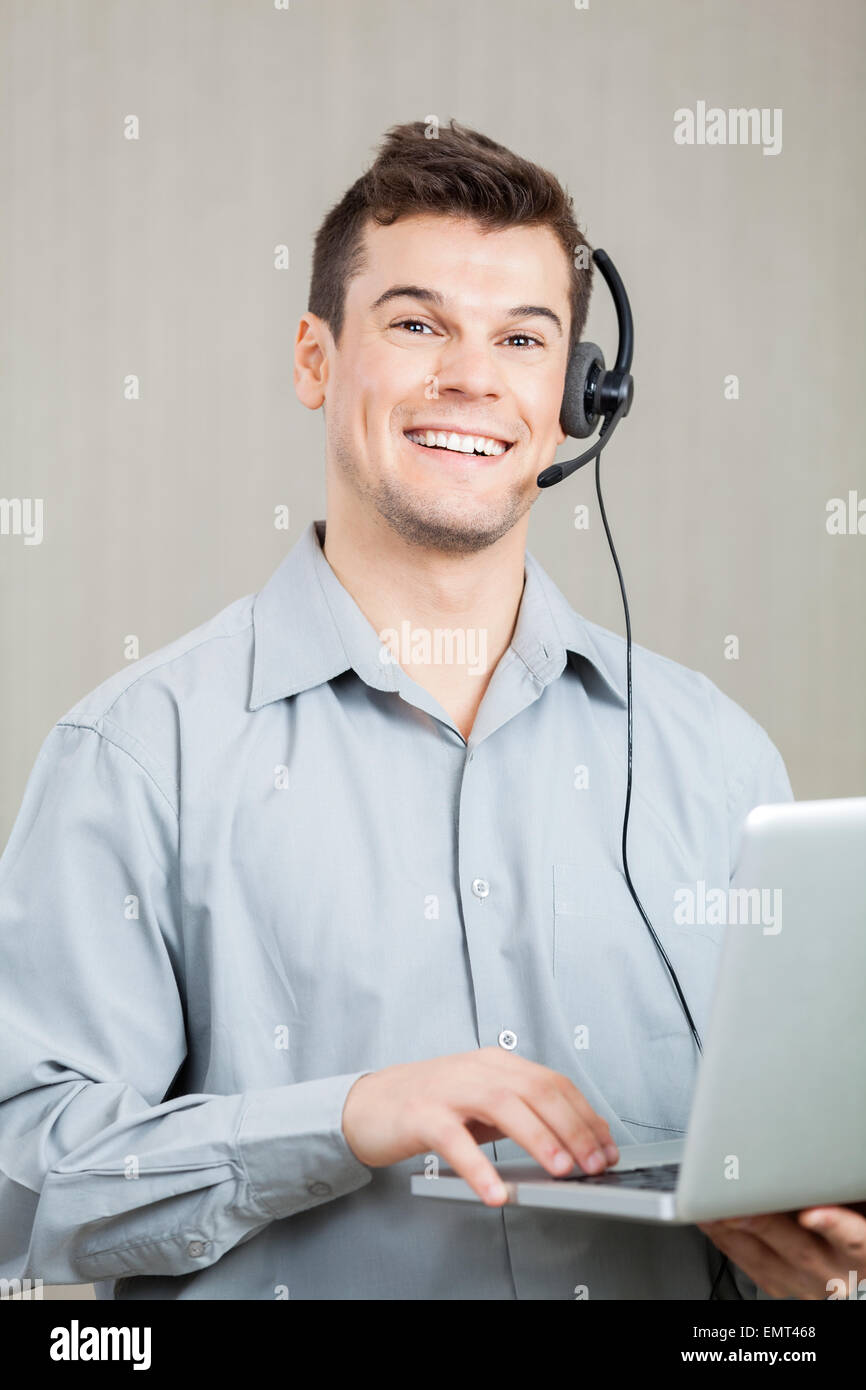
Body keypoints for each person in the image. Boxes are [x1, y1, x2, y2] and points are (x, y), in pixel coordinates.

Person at [0, 119, 862, 1302]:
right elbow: (26, 1191)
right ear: (315, 358)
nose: (471, 376)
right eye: (417, 325)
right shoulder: (138, 754)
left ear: (576, 394)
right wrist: (348, 1115)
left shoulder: (713, 754)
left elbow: (786, 1157)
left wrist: (811, 1253)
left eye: (522, 337)